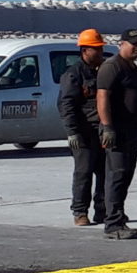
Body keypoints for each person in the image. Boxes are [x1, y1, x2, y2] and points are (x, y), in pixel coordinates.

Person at [94, 29, 137, 239]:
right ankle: (113, 224)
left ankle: (118, 217)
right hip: (116, 128)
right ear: (122, 43)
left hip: (131, 129)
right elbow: (102, 98)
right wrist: (107, 126)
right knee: (116, 175)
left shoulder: (132, 67)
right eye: (133, 44)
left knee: (126, 175)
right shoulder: (112, 66)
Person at [58, 29, 107, 227]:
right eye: (96, 49)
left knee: (105, 173)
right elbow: (66, 105)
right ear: (85, 50)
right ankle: (80, 212)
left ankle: (103, 212)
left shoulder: (103, 71)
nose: (100, 52)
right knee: (83, 172)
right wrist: (72, 132)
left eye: (101, 48)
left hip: (102, 131)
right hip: (83, 133)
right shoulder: (73, 74)